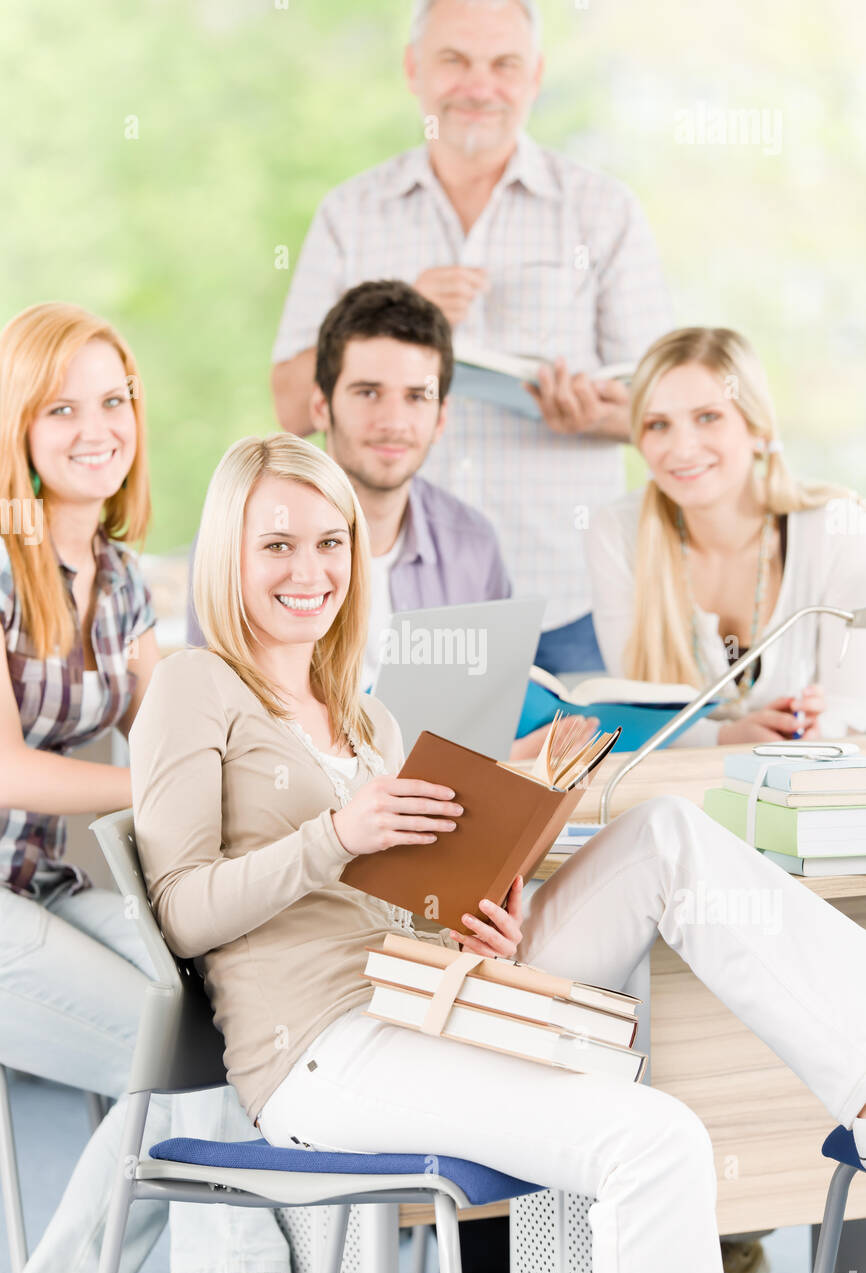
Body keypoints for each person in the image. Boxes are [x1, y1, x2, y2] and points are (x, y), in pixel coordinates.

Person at [130, 431, 866, 1273]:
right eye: (277, 546)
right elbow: (179, 910)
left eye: (331, 543)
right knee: (658, 1138)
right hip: (325, 1052)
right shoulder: (194, 686)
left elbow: (398, 911)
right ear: (228, 556)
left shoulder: (371, 722)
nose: (310, 570)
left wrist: (480, 927)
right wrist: (335, 833)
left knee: (665, 832)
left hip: (430, 999)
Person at [0, 302, 292, 1273]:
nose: (98, 428)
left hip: (42, 883)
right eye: (62, 408)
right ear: (18, 428)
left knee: (229, 992)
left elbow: (168, 719)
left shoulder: (118, 575)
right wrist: (168, 784)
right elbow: (7, 769)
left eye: (115, 400)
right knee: (172, 1051)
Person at [269, 0, 674, 677]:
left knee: (562, 782)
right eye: (454, 60)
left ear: (535, 75)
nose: (478, 86)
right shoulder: (350, 213)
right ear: (413, 69)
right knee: (398, 783)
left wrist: (596, 412)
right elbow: (290, 403)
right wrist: (401, 315)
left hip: (564, 603)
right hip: (389, 604)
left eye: (503, 64)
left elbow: (663, 411)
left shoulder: (604, 212)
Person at [191, 279, 596, 764]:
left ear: (441, 416)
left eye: (417, 397)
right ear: (322, 405)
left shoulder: (473, 546)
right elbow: (221, 731)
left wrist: (508, 758)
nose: (393, 421)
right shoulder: (243, 533)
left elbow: (482, 728)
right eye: (368, 393)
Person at [586, 327, 866, 746]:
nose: (681, 449)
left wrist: (815, 727)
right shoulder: (617, 533)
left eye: (707, 417)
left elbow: (853, 709)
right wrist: (725, 738)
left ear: (758, 427)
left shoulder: (835, 527)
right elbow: (636, 712)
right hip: (676, 793)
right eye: (658, 424)